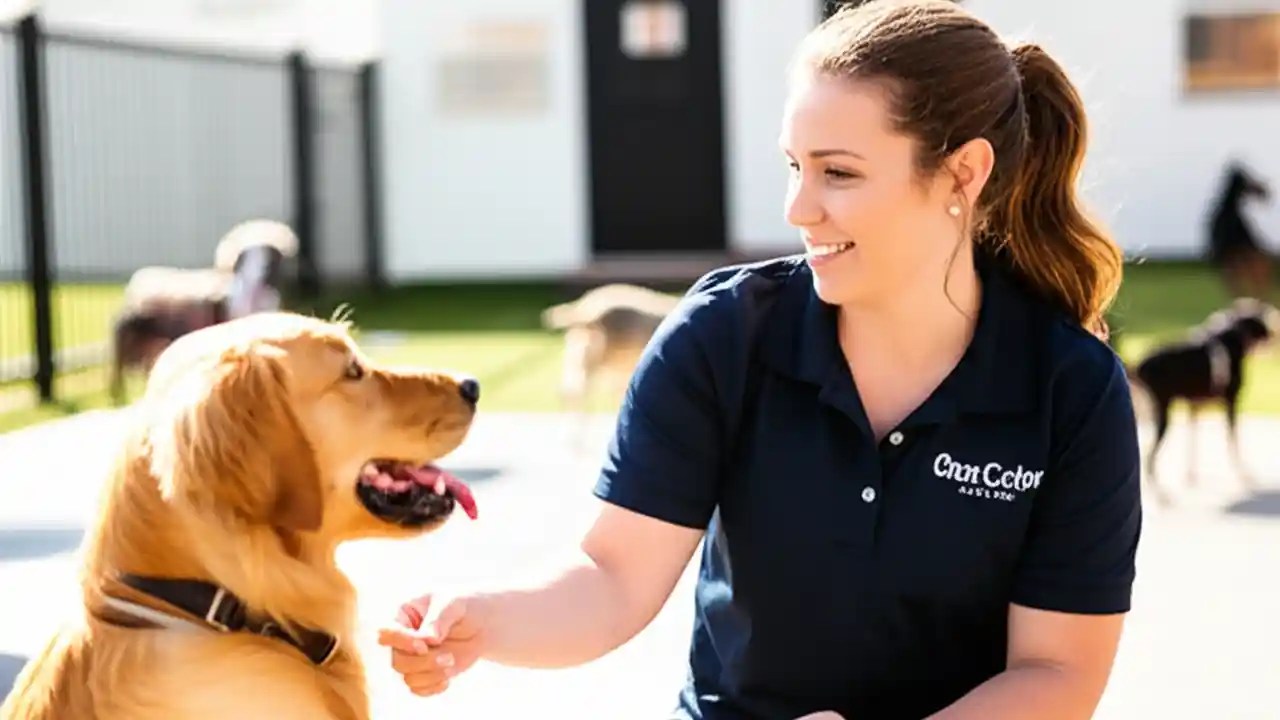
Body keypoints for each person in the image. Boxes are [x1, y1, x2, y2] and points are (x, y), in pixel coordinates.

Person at [378, 1, 1143, 718]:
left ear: (962, 174)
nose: (797, 208)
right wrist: (483, 622)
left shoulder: (1070, 388)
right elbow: (613, 578)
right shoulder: (723, 337)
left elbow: (1058, 673)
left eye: (837, 172)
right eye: (794, 165)